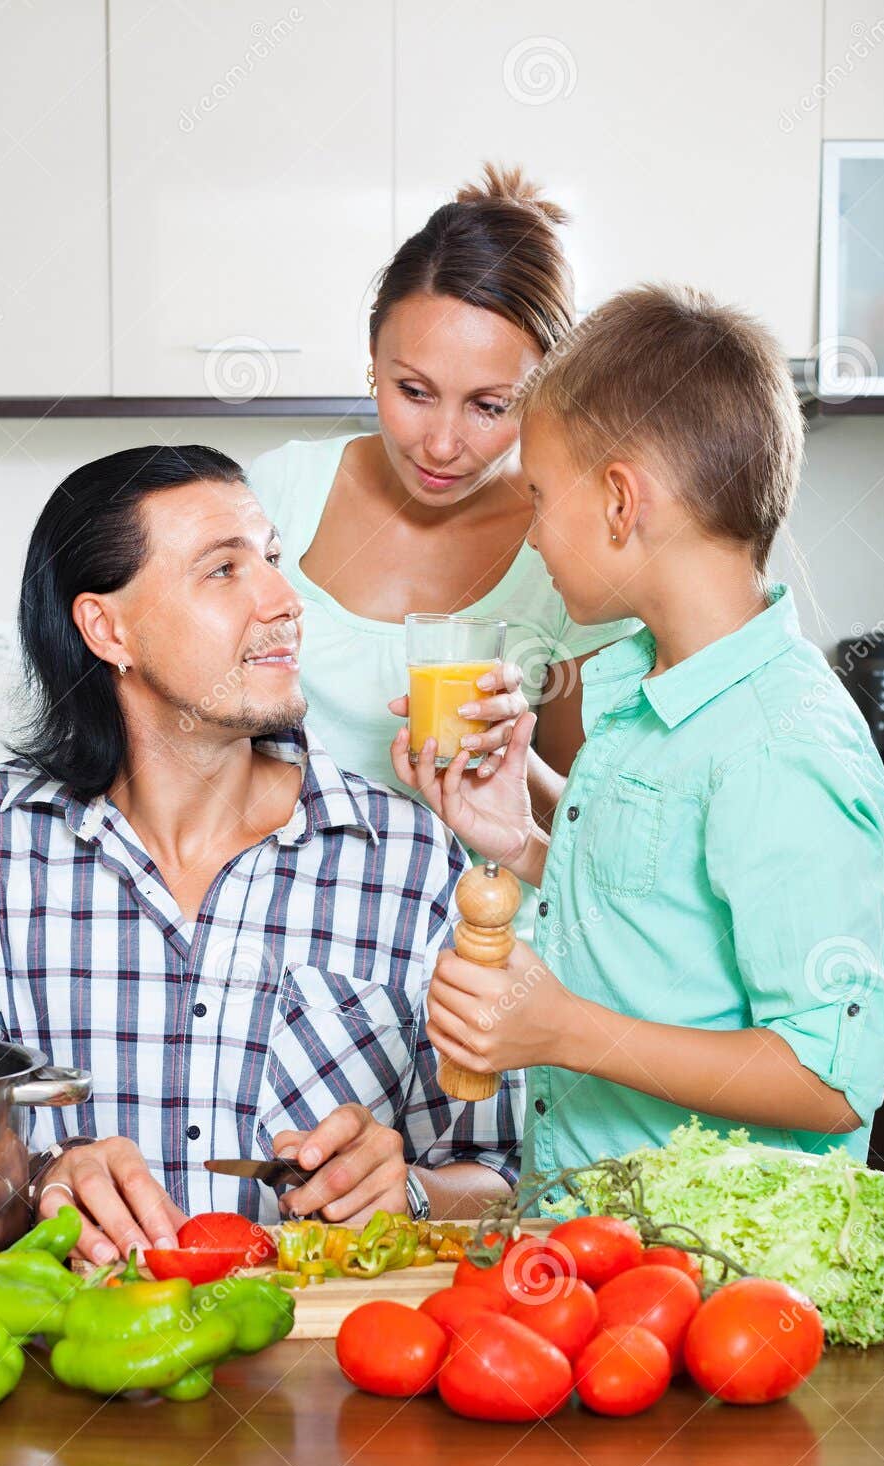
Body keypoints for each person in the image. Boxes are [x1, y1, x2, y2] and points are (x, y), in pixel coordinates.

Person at [0, 447, 520, 1266]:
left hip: (327, 1371)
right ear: (107, 628)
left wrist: (406, 1190)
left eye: (272, 561)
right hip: (62, 1369)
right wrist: (42, 1176)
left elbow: (496, 1171)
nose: (285, 601)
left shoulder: (403, 854)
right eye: (224, 571)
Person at [397, 283, 884, 1182]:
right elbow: (665, 902)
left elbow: (826, 1077)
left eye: (537, 498)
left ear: (619, 502)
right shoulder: (652, 689)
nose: (530, 541)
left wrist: (562, 1030)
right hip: (599, 1254)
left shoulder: (778, 743)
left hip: (713, 1286)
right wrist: (523, 836)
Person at [247, 164, 640, 931]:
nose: (441, 443)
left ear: (549, 390)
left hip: (488, 955)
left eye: (490, 406)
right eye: (413, 391)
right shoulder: (276, 496)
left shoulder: (572, 557)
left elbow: (599, 849)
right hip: (283, 938)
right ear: (371, 356)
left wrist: (513, 763)